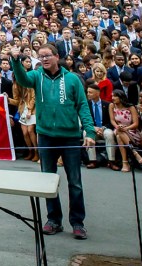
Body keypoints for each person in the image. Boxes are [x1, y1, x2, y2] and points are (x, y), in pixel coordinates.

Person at [15, 45, 95, 239]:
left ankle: (77, 222)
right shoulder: (36, 76)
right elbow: (22, 79)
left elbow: (82, 105)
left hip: (69, 136)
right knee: (48, 181)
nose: (44, 59)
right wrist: (16, 61)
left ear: (57, 57)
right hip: (46, 136)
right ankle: (53, 220)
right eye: (40, 57)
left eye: (47, 56)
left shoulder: (72, 79)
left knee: (75, 182)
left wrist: (89, 131)